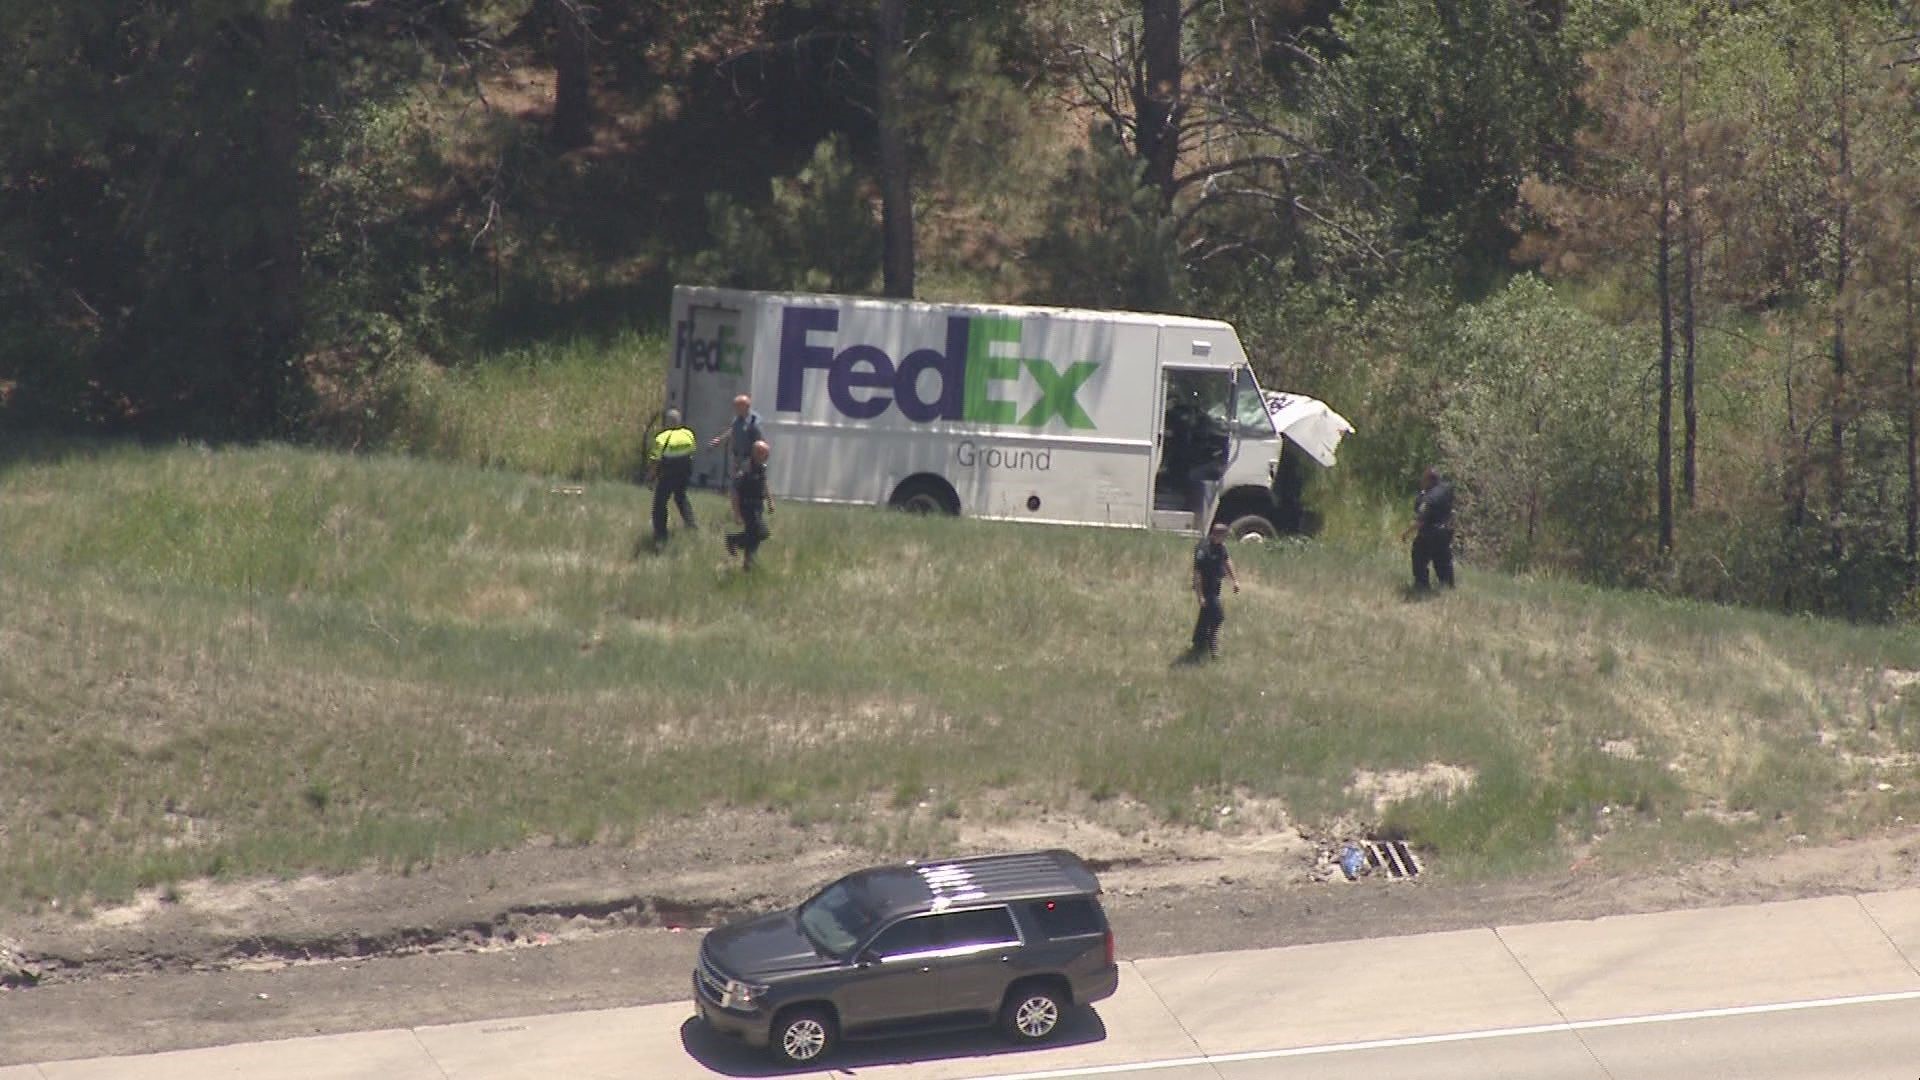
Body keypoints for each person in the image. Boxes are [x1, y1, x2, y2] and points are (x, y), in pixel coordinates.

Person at [647, 408, 698, 546]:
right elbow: (692, 451)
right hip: (685, 472)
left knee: (660, 503)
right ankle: (691, 525)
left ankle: (661, 534)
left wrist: (650, 478)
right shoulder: (688, 434)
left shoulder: (662, 438)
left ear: (666, 423)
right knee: (681, 497)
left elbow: (655, 461)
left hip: (668, 473)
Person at [1189, 522, 1240, 661]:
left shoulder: (1220, 546)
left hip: (1215, 584)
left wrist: (1235, 580)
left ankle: (1198, 642)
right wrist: (1200, 596)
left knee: (1206, 614)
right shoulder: (1203, 549)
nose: (1225, 540)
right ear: (1216, 535)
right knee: (1218, 616)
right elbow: (1197, 574)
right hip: (1205, 587)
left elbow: (1227, 560)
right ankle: (1212, 640)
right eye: (1224, 537)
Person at [1401, 466, 1456, 591]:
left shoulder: (1428, 499)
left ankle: (1421, 585)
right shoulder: (1447, 488)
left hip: (1431, 533)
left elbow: (1420, 521)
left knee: (1419, 556)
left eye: (1423, 479)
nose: (1421, 482)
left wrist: (1406, 533)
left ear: (1429, 481)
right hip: (1446, 531)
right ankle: (1448, 585)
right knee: (1443, 559)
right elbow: (1451, 509)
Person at [725, 440, 775, 570]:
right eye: (765, 454)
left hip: (758, 506)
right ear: (756, 453)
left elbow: (764, 483)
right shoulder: (745, 469)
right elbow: (734, 491)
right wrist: (737, 514)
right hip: (747, 506)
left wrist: (770, 501)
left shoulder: (762, 467)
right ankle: (733, 540)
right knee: (761, 533)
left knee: (754, 536)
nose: (767, 457)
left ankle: (748, 563)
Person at [707, 394, 765, 477]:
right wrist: (720, 439)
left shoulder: (754, 421)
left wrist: (755, 459)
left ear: (744, 406)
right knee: (736, 482)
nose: (735, 409)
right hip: (737, 457)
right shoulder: (737, 419)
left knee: (747, 482)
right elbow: (732, 430)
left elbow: (760, 441)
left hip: (749, 458)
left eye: (737, 406)